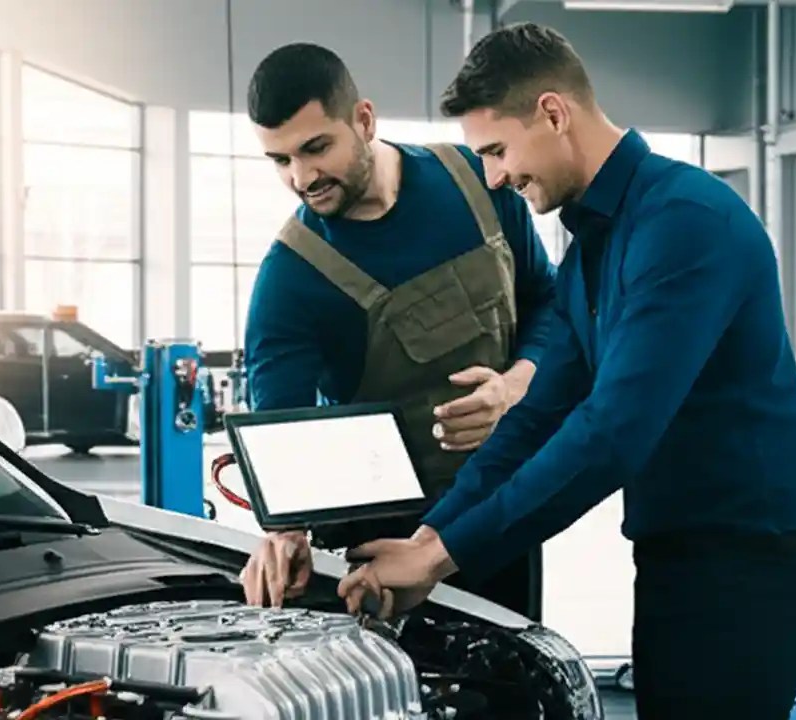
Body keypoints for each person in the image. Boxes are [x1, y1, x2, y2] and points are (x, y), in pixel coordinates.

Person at [337, 22, 796, 720]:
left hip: (746, 576)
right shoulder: (593, 245)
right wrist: (430, 536)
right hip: (672, 566)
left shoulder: (684, 223)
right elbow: (536, 415)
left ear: (554, 113)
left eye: (498, 151)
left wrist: (443, 558)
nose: (496, 177)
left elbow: (613, 433)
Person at [236, 41, 558, 621]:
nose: (301, 177)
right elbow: (279, 432)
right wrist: (285, 533)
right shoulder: (291, 276)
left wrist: (514, 386)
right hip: (383, 550)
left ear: (364, 120)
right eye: (280, 160)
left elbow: (549, 305)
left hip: (502, 506)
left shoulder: (479, 181)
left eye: (315, 148)